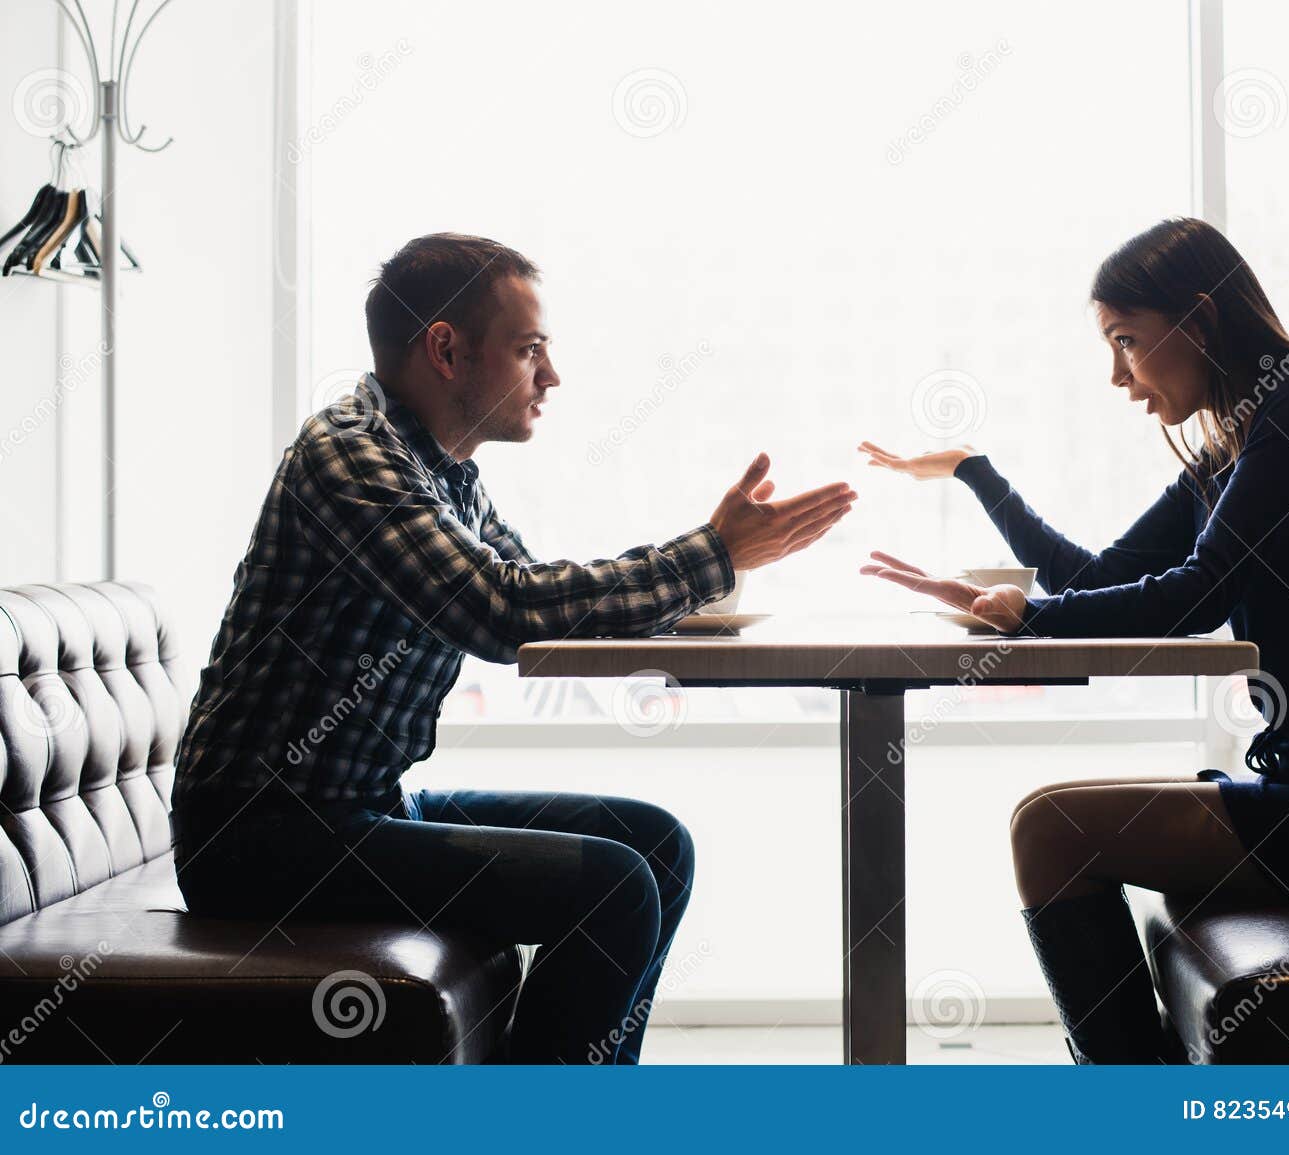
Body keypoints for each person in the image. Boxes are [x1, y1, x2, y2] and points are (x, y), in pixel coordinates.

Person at [170, 232, 856, 1064]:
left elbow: (534, 593)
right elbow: (501, 610)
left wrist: (711, 575)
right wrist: (709, 554)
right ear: (447, 350)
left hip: (362, 804)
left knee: (657, 844)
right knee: (613, 888)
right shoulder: (350, 457)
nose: (552, 376)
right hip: (260, 836)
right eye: (530, 349)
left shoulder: (444, 469)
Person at [857, 216, 1289, 1063]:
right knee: (1045, 824)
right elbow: (1095, 577)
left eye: (1125, 341)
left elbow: (1193, 596)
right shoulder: (1234, 446)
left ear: (1198, 318)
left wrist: (1028, 621)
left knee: (1051, 830)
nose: (1119, 376)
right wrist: (975, 473)